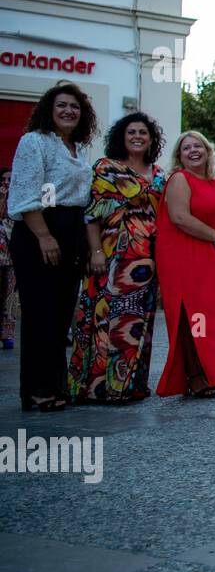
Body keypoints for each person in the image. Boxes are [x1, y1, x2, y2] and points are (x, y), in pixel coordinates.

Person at [7, 82, 96, 410]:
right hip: (40, 230)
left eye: (74, 106)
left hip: (71, 231)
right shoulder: (35, 142)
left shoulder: (77, 149)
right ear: (49, 109)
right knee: (40, 313)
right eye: (61, 105)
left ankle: (55, 385)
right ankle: (37, 390)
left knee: (60, 316)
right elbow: (27, 194)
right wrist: (45, 236)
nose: (68, 111)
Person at [69, 112, 167, 403]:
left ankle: (130, 386)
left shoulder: (160, 173)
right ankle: (98, 387)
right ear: (121, 138)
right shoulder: (106, 168)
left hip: (147, 261)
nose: (138, 136)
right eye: (131, 132)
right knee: (103, 321)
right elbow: (91, 215)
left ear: (151, 139)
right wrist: (96, 251)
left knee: (137, 323)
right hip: (112, 257)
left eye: (143, 133)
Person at [155, 131, 215, 397]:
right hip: (186, 256)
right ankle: (194, 375)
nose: (193, 151)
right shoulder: (180, 179)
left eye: (198, 146)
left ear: (207, 150)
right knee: (193, 316)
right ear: (179, 156)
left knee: (212, 317)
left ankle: (210, 372)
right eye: (186, 148)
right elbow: (179, 217)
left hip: (214, 256)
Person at [0, 168, 15, 350]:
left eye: (9, 179)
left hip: (11, 257)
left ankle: (7, 334)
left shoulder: (18, 197)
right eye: (3, 179)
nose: (6, 182)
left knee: (9, 297)